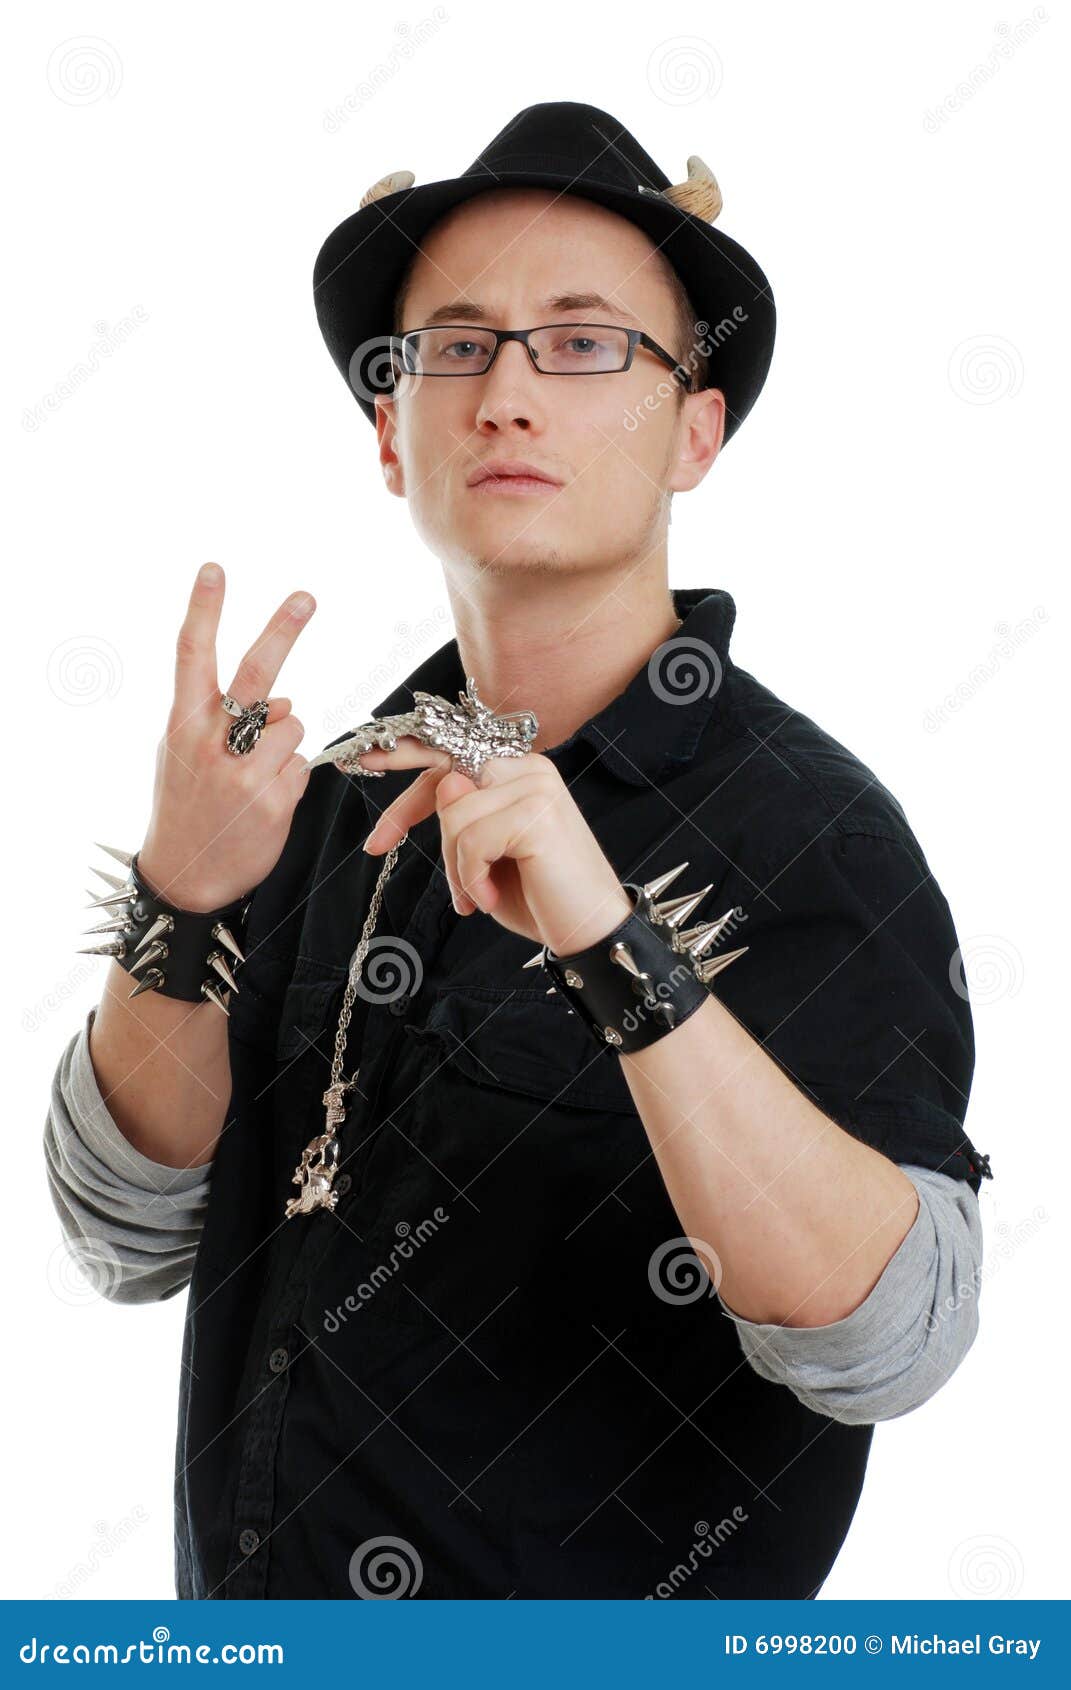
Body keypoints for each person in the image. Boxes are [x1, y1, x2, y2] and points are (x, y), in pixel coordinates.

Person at [44, 101, 992, 1600]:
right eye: (457, 344)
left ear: (696, 430)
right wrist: (184, 897)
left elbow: (890, 1340)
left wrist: (622, 952)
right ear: (387, 427)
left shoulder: (815, 835)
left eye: (586, 341)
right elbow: (127, 1232)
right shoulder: (320, 796)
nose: (506, 394)